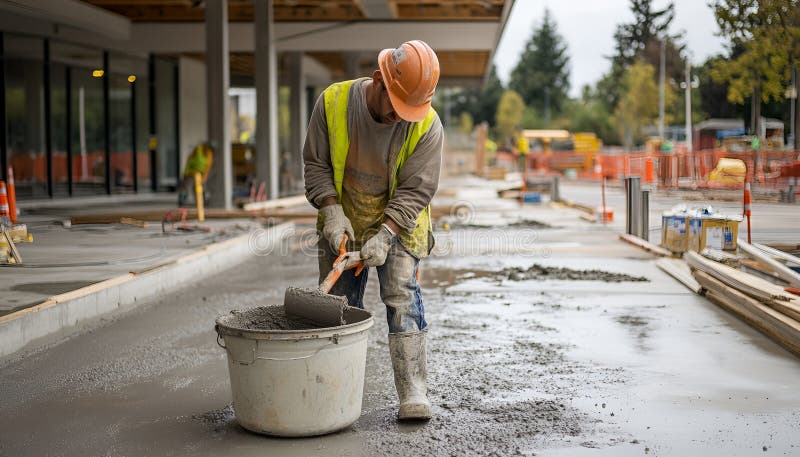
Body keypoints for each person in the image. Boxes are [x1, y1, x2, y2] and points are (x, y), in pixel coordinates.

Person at [303, 40, 443, 420]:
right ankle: (336, 394)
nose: (401, 118)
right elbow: (315, 163)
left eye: (409, 111)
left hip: (400, 220)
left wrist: (386, 234)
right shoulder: (332, 104)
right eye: (396, 108)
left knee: (401, 295)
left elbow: (418, 189)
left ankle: (413, 390)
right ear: (379, 79)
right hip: (344, 214)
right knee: (339, 306)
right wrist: (331, 212)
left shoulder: (427, 125)